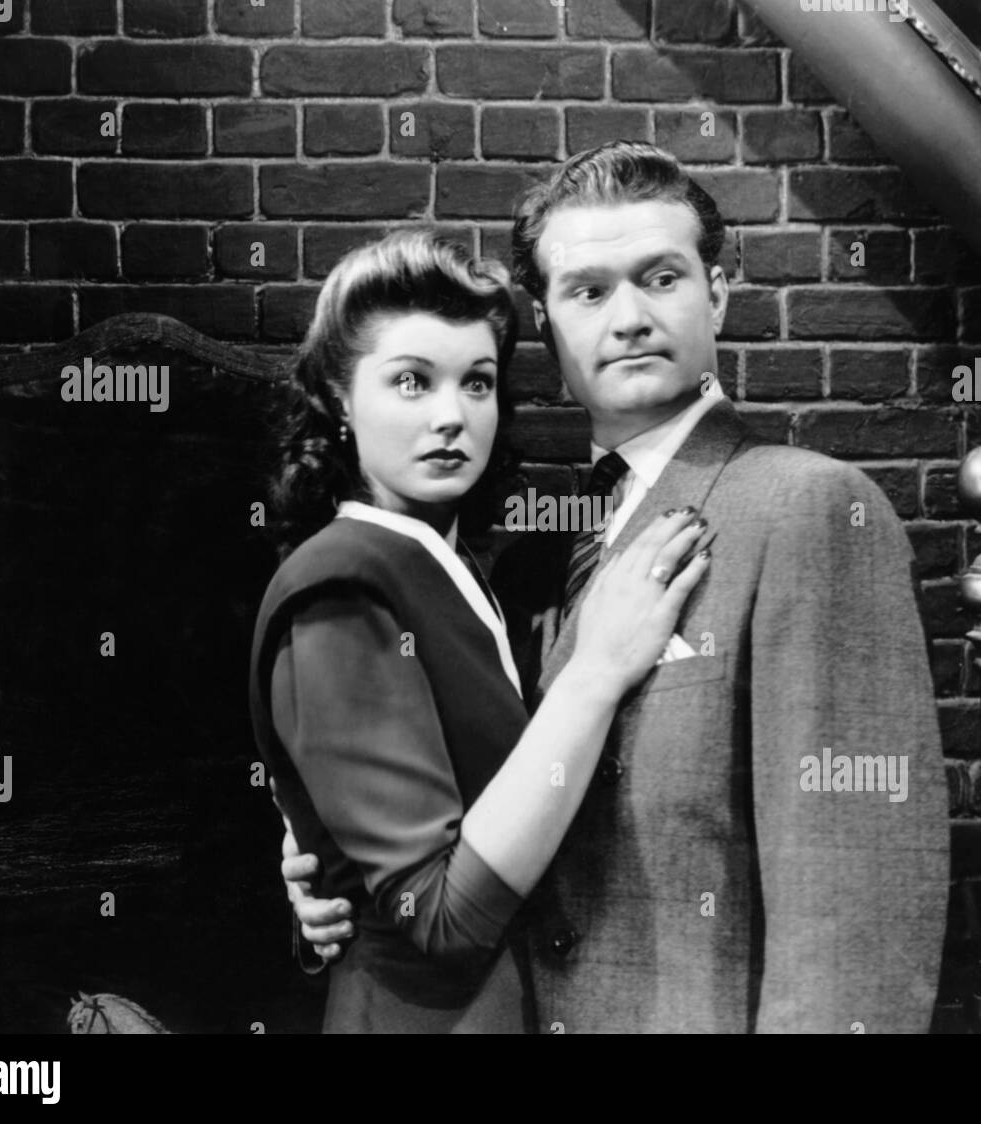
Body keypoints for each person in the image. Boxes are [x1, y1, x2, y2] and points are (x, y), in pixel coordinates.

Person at [280, 143, 952, 1033]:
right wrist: (335, 874)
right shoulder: (522, 558)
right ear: (548, 324)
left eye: (662, 278)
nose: (629, 317)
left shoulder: (810, 511)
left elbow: (851, 923)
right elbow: (455, 839)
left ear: (717, 293)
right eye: (589, 291)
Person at [248, 229, 711, 1033]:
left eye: (478, 384)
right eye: (411, 382)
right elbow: (440, 923)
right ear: (339, 399)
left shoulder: (453, 573)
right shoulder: (341, 587)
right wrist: (595, 673)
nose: (451, 417)